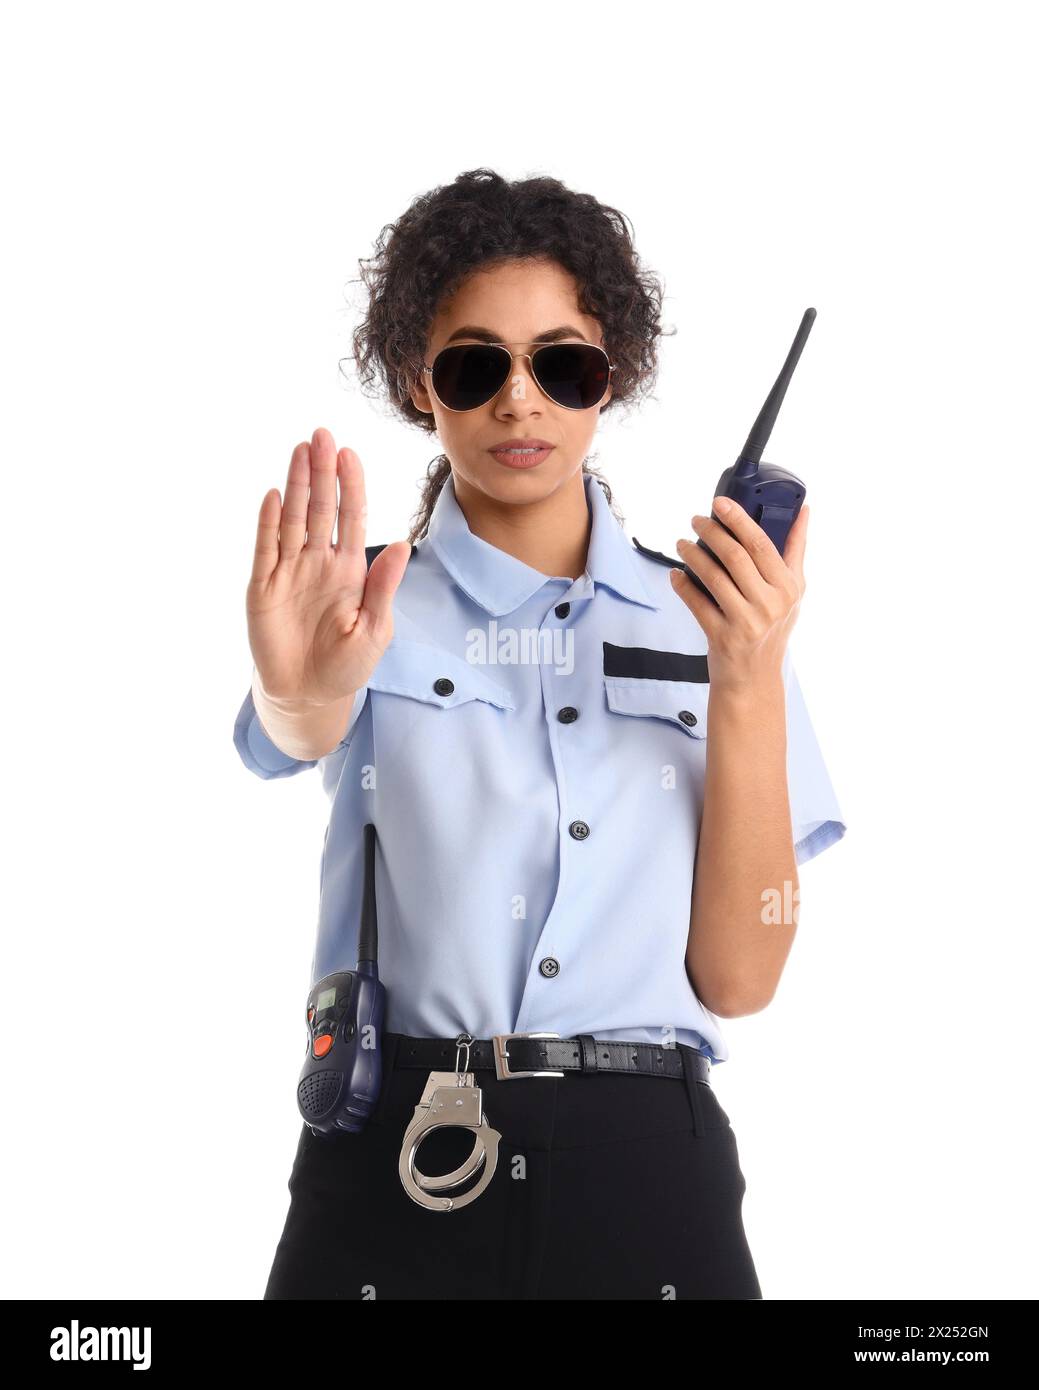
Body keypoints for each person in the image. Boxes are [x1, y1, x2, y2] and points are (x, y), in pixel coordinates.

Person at [233, 168, 846, 1300]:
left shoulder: (718, 620)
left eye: (562, 364)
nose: (521, 401)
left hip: (646, 1172)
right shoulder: (356, 605)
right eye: (476, 366)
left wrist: (746, 680)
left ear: (612, 379)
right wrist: (297, 688)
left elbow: (740, 973)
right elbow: (293, 726)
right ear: (423, 386)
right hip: (393, 1161)